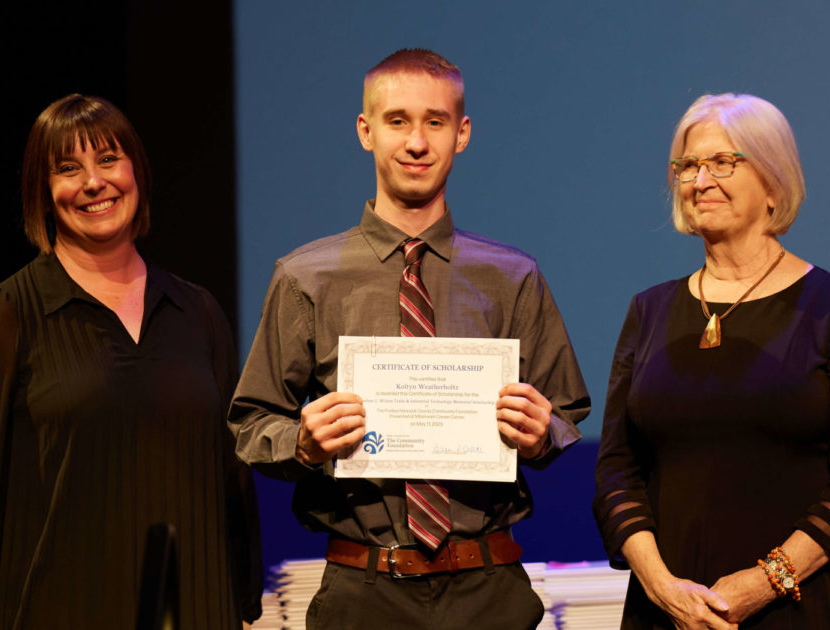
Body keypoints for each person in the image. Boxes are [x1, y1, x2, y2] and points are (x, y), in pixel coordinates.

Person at [229, 49, 590, 630]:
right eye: (397, 121)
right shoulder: (305, 277)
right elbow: (251, 424)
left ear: (462, 134)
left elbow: (565, 412)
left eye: (435, 121)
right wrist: (303, 440)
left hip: (488, 588)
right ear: (365, 131)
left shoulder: (512, 276)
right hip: (362, 590)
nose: (416, 142)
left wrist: (539, 432)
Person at [0, 94, 263, 629]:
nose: (92, 182)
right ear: (43, 191)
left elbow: (232, 472)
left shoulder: (197, 311)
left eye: (108, 160)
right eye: (67, 169)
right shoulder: (5, 317)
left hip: (196, 609)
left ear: (137, 172)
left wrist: (245, 598)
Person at [593, 93, 830, 630]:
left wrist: (762, 583)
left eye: (723, 162)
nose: (700, 180)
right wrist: (664, 589)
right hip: (670, 611)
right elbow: (618, 472)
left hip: (802, 606)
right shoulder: (649, 310)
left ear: (774, 183)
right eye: (687, 165)